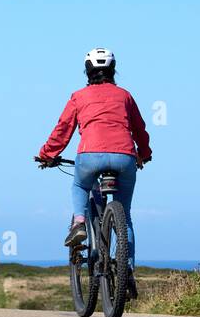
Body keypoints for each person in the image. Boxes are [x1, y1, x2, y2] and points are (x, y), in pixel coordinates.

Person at [35, 47, 151, 295]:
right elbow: (139, 129)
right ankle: (127, 270)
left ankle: (79, 222)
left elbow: (62, 129)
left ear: (87, 72)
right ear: (113, 70)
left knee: (79, 185)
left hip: (89, 156)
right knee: (126, 217)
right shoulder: (125, 96)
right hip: (125, 157)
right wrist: (145, 154)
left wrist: (47, 154)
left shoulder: (78, 96)